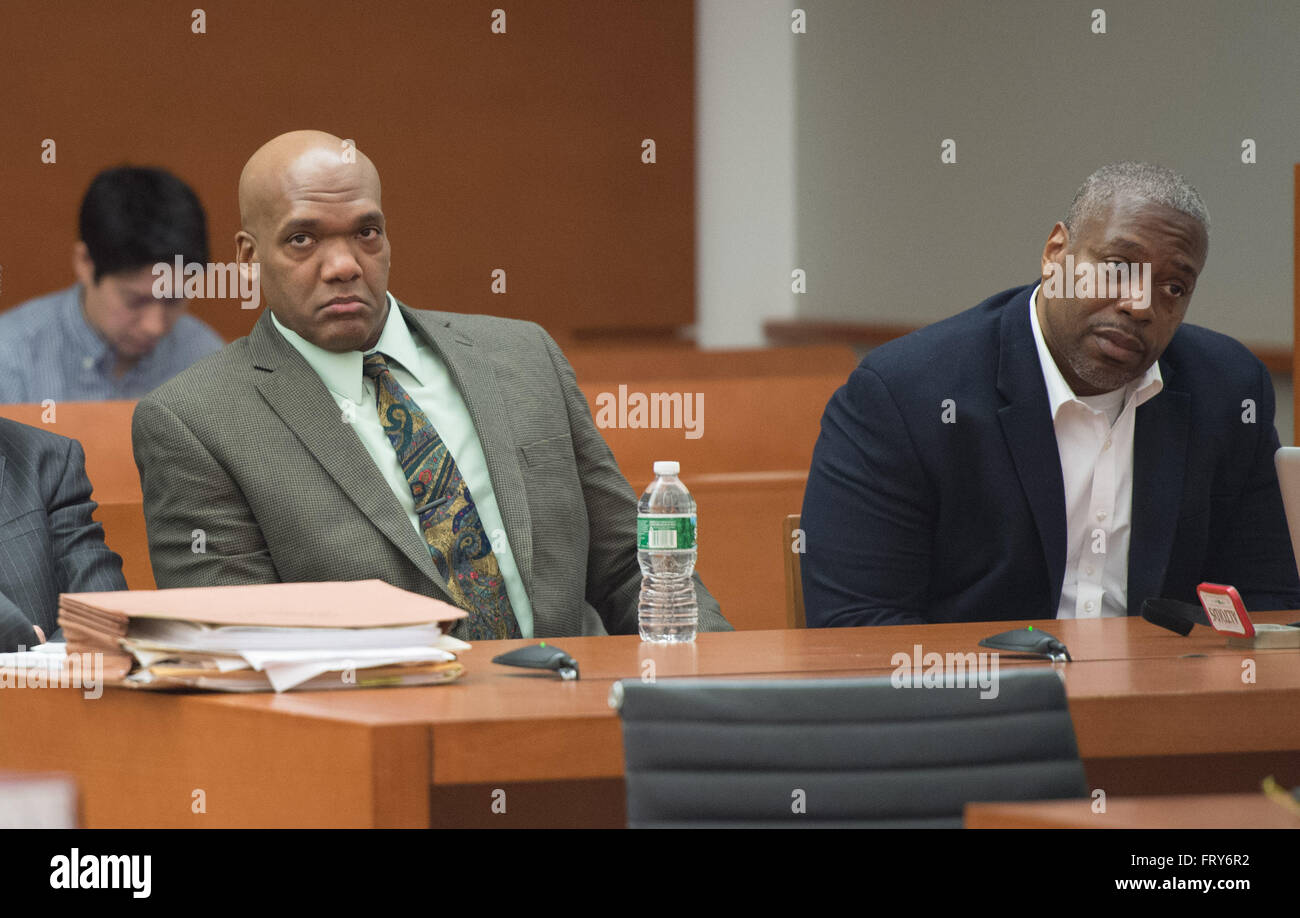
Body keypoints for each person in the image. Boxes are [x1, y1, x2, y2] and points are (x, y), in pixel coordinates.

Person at [132, 130, 728, 639]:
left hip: (561, 709)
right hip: (371, 743)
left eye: (366, 232)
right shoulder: (196, 422)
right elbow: (243, 644)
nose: (343, 264)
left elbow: (633, 566)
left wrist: (722, 690)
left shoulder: (523, 359)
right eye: (303, 239)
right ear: (246, 257)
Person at [802, 161, 1300, 627]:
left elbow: (1270, 601)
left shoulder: (1231, 392)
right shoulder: (907, 395)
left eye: (1174, 287)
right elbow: (857, 624)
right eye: (1119, 266)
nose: (1140, 304)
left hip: (1163, 701)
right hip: (980, 703)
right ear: (1055, 254)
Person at [0, 166, 224, 403]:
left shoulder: (206, 359)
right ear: (86, 263)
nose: (154, 326)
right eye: (136, 301)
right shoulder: (11, 361)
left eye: (174, 300)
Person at [0, 418, 126, 652]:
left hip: (50, 684)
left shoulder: (48, 458)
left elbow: (103, 611)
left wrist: (46, 660)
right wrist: (21, 637)